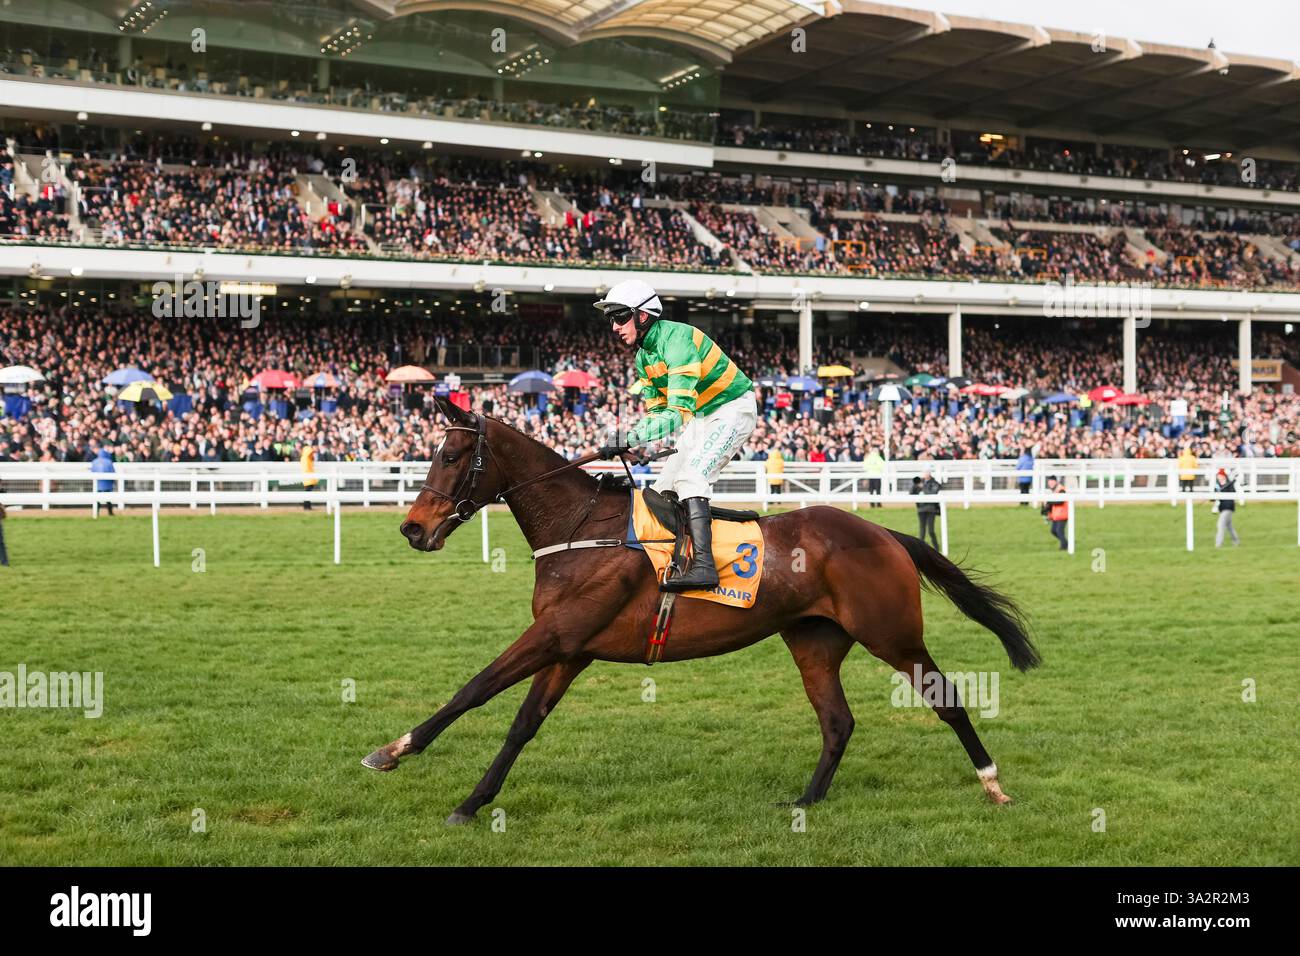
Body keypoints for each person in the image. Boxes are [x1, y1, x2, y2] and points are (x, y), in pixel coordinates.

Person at [594, 278, 757, 592]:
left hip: (732, 409)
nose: (614, 327)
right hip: (702, 415)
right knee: (662, 489)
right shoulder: (644, 357)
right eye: (610, 319)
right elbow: (659, 413)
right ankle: (679, 556)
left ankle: (706, 568)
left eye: (619, 317)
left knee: (691, 478)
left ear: (642, 315)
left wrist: (630, 436)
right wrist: (633, 445)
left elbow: (677, 412)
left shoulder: (678, 339)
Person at [911, 469, 941, 548]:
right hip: (921, 509)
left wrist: (923, 487)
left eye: (926, 472)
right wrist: (915, 484)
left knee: (931, 531)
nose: (925, 474)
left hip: (931, 509)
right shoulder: (920, 482)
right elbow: (911, 493)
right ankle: (921, 548)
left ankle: (936, 548)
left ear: (930, 473)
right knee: (922, 531)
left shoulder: (935, 483)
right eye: (924, 472)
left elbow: (933, 493)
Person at [1214, 468, 1240, 548]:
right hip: (1222, 508)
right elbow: (1214, 496)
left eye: (1220, 475)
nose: (1219, 477)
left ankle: (1218, 544)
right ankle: (1236, 541)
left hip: (1228, 508)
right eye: (1218, 476)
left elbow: (1233, 494)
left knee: (1220, 525)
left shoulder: (1229, 484)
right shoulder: (1217, 485)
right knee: (1229, 527)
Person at [1042, 475, 1069, 550]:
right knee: (1053, 531)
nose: (1050, 484)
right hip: (1056, 515)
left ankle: (1064, 546)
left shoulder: (1061, 489)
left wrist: (1049, 502)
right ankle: (1066, 543)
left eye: (1051, 483)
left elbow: (1060, 501)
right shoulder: (1055, 490)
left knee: (1059, 531)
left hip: (1062, 514)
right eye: (1049, 483)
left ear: (1056, 482)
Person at [91, 445, 116, 516]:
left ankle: (96, 513)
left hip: (97, 484)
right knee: (108, 499)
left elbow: (92, 472)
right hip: (107, 484)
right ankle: (110, 512)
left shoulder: (94, 462)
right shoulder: (109, 461)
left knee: (97, 499)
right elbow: (113, 472)